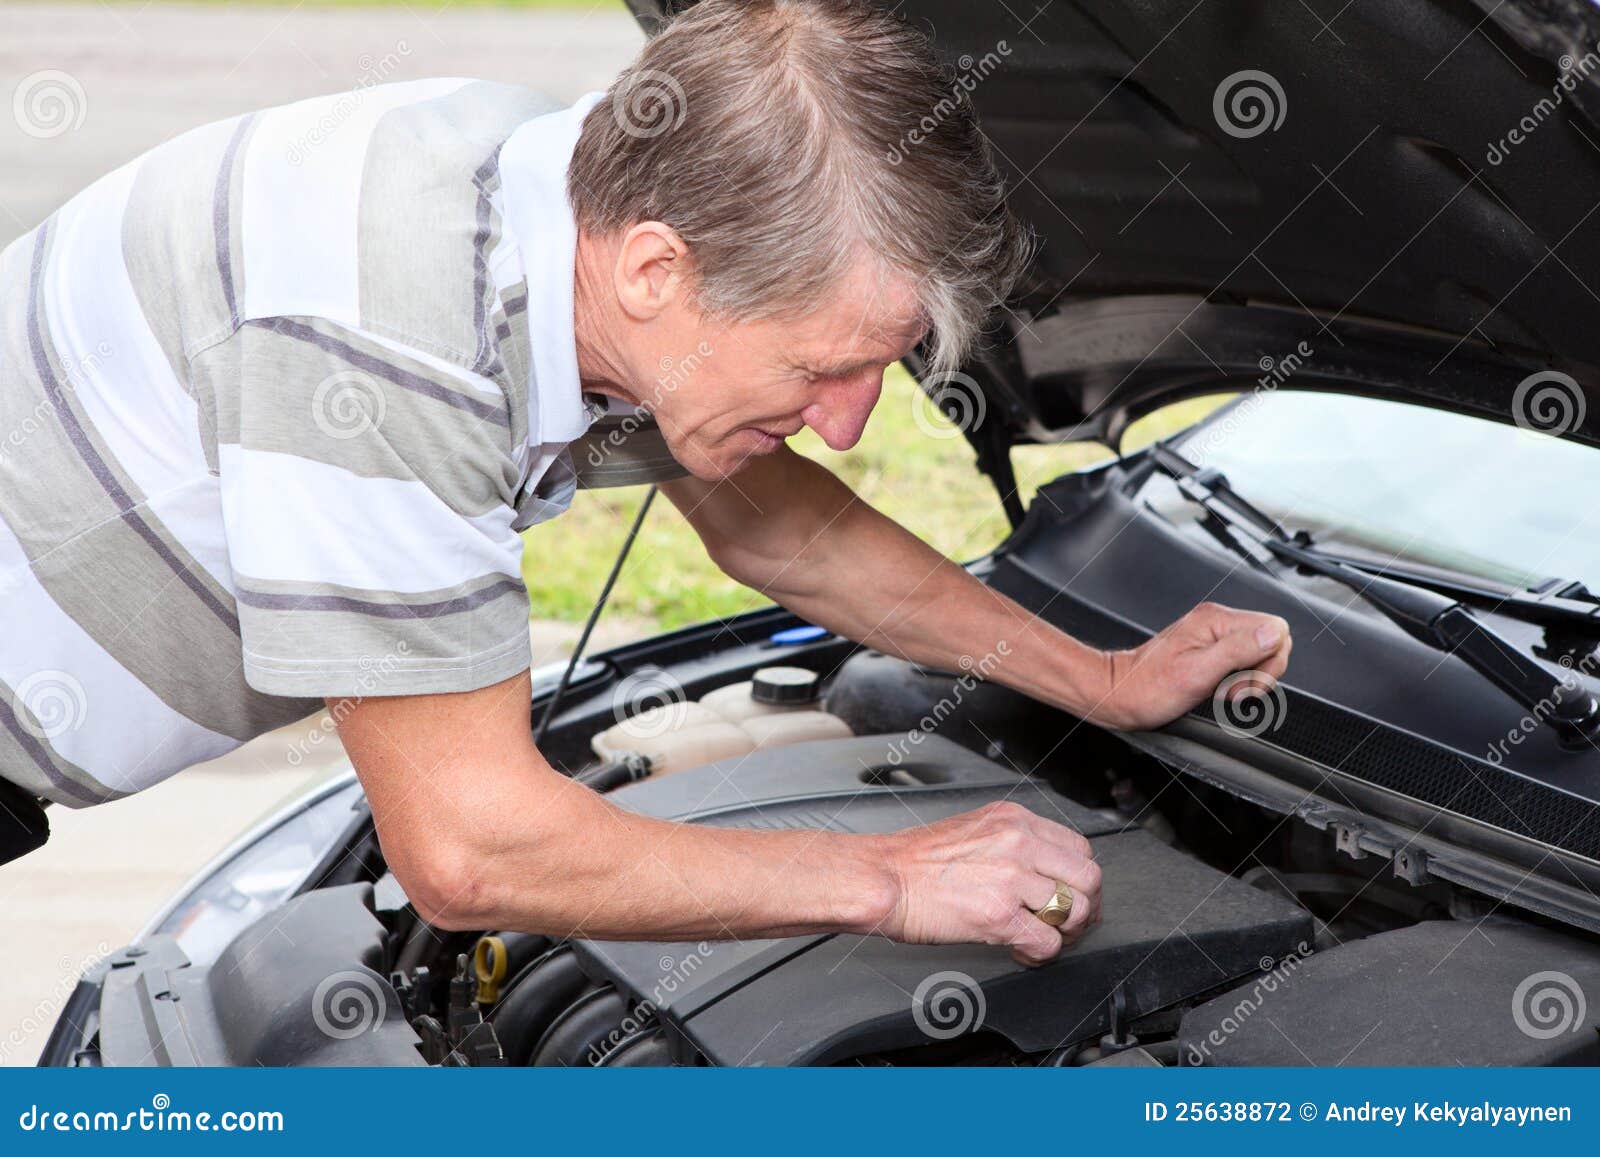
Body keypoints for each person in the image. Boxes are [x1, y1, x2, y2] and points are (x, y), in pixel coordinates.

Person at [0, 0, 1289, 964]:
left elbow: (785, 526)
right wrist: (891, 880)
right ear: (659, 272)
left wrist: (1105, 682)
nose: (846, 429)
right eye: (826, 368)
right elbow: (465, 851)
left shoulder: (566, 194)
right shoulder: (391, 336)